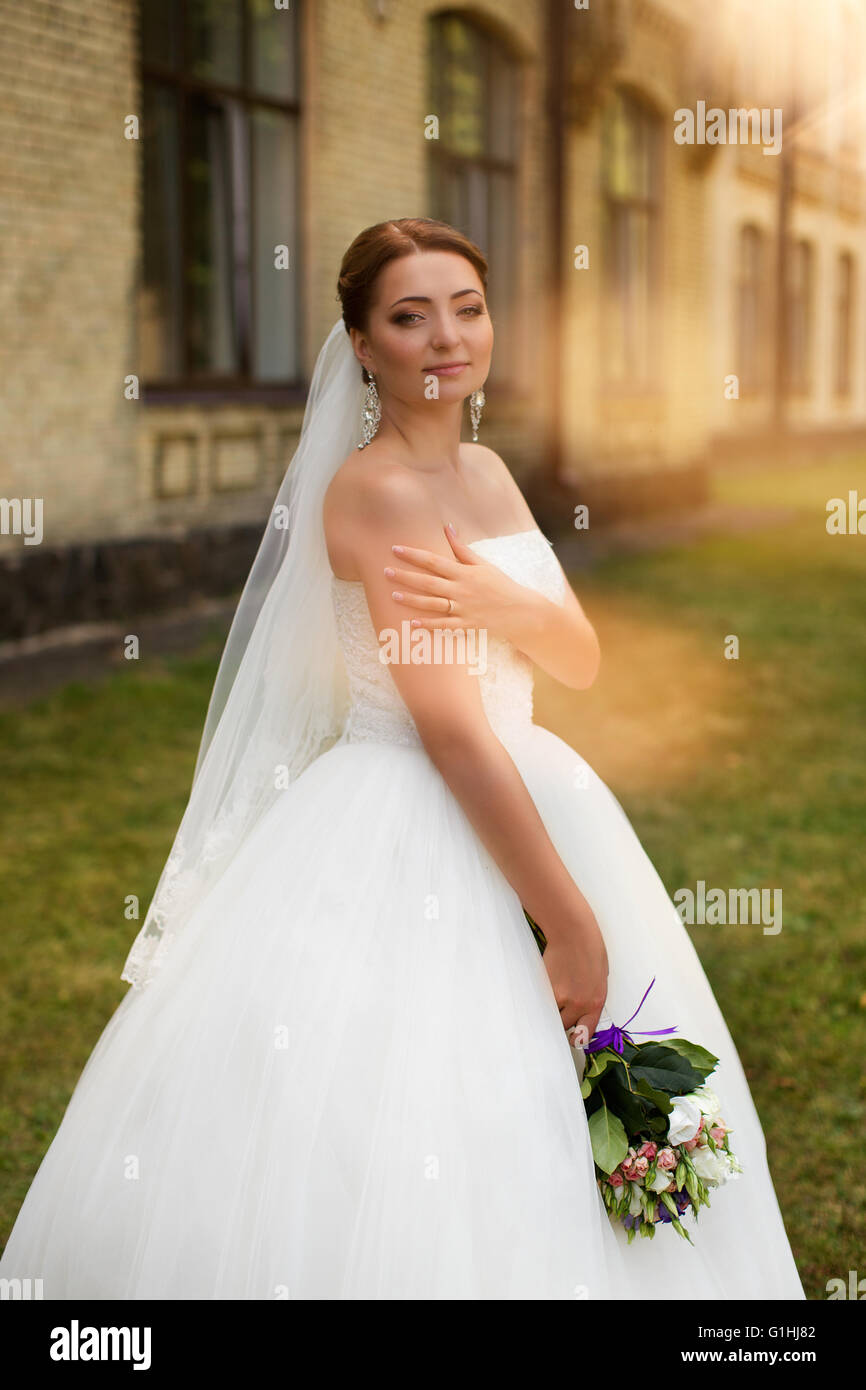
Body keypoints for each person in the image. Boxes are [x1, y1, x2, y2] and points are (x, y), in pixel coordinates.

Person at [0, 218, 805, 1299]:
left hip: (534, 779)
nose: (446, 337)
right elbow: (451, 731)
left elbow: (575, 656)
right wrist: (567, 918)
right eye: (409, 316)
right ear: (363, 344)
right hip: (411, 802)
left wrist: (495, 596)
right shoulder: (372, 491)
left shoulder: (485, 469)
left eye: (466, 307)